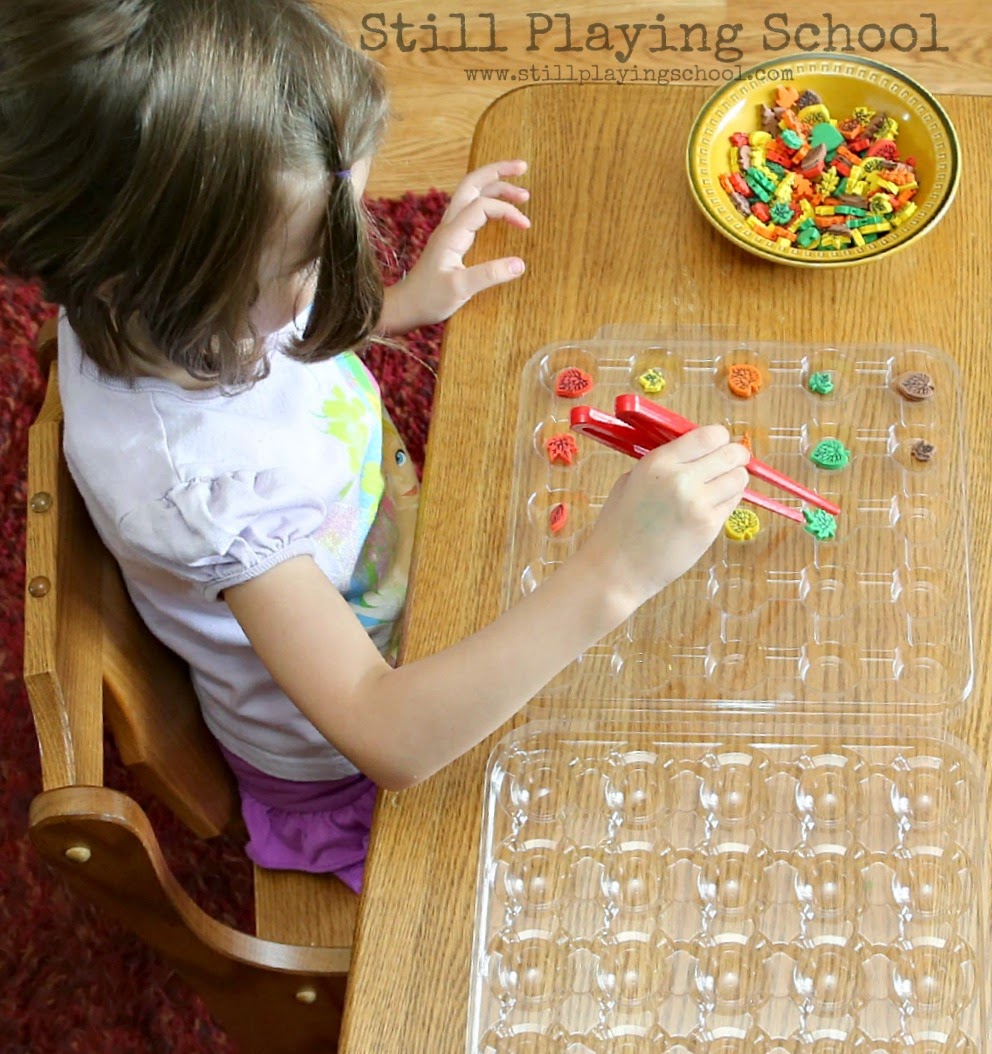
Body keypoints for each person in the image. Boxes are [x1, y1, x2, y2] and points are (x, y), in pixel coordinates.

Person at [0, 0, 750, 893]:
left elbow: (275, 347)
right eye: (316, 260)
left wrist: (399, 305)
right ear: (168, 277)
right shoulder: (206, 491)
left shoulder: (151, 308)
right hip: (352, 750)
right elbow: (388, 736)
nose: (349, 277)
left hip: (389, 586)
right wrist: (614, 572)